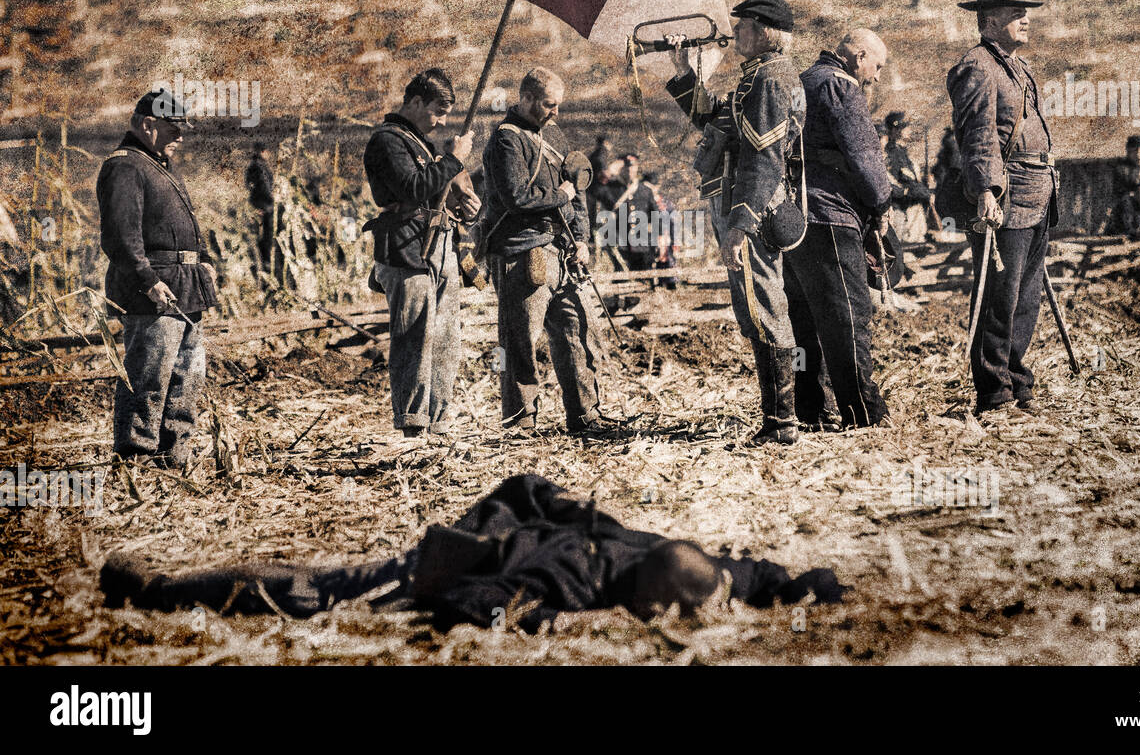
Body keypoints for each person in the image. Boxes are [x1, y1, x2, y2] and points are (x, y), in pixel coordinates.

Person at [99, 474, 845, 632]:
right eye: (696, 610)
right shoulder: (568, 581)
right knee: (313, 590)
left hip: (506, 530)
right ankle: (156, 588)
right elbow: (466, 603)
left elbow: (746, 575)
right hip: (449, 560)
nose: (713, 611)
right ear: (654, 606)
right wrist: (535, 623)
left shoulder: (670, 557)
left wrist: (802, 583)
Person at [665, 0, 807, 444]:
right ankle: (779, 417)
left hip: (753, 212)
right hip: (746, 208)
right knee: (756, 308)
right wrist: (684, 71)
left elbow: (763, 160)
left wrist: (740, 226)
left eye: (741, 25)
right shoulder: (760, 77)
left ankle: (782, 422)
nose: (734, 33)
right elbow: (715, 123)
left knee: (763, 308)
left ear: (764, 31)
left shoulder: (768, 80)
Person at [480, 67, 614, 436]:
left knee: (575, 332)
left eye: (558, 105)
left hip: (563, 251)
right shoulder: (506, 141)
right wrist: (562, 196)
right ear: (526, 99)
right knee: (520, 341)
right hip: (524, 254)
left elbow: (578, 185)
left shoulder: (552, 134)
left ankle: (586, 416)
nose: (555, 112)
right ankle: (520, 424)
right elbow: (517, 196)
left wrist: (583, 240)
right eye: (548, 105)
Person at [946, 0, 1058, 415]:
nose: (1025, 18)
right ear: (989, 21)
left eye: (1025, 11)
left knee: (1026, 298)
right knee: (1000, 296)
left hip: (1037, 194)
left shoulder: (1019, 66)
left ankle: (1015, 380)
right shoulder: (977, 66)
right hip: (1005, 198)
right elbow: (978, 136)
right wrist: (986, 190)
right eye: (1015, 13)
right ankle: (993, 392)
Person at [96, 89, 218, 467]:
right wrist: (147, 280)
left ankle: (174, 455)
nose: (181, 136)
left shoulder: (157, 164)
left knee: (186, 377)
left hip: (184, 288)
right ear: (148, 125)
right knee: (149, 375)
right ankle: (137, 457)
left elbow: (182, 227)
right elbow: (120, 236)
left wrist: (205, 261)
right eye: (174, 128)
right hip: (154, 291)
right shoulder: (126, 166)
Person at [784, 29, 893, 430]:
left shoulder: (802, 80)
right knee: (848, 316)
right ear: (858, 57)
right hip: (832, 217)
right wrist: (882, 204)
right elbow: (866, 158)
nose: (876, 77)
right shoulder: (840, 86)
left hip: (793, 221)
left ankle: (811, 411)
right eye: (876, 67)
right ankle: (862, 411)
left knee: (806, 321)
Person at [362, 68, 478, 441]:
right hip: (406, 249)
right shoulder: (387, 141)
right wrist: (454, 160)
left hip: (438, 246)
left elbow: (433, 193)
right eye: (437, 111)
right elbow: (412, 188)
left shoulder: (421, 144)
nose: (442, 121)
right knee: (414, 335)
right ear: (414, 102)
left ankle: (440, 420)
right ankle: (413, 422)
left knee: (446, 337)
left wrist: (462, 202)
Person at [882, 111, 933, 243]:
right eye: (905, 127)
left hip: (911, 210)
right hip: (901, 210)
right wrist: (924, 193)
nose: (909, 130)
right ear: (895, 130)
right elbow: (898, 185)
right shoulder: (892, 155)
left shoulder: (902, 151)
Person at [1107, 135, 1140, 239]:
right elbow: (1126, 184)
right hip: (1126, 202)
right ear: (1129, 152)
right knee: (1127, 202)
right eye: (1135, 151)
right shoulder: (1122, 167)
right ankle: (1132, 231)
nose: (1139, 155)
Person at [244, 143, 276, 278]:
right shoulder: (258, 167)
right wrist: (265, 203)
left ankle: (264, 262)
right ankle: (265, 263)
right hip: (263, 206)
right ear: (263, 151)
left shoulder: (254, 166)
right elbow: (262, 188)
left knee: (263, 235)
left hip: (260, 205)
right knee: (264, 236)